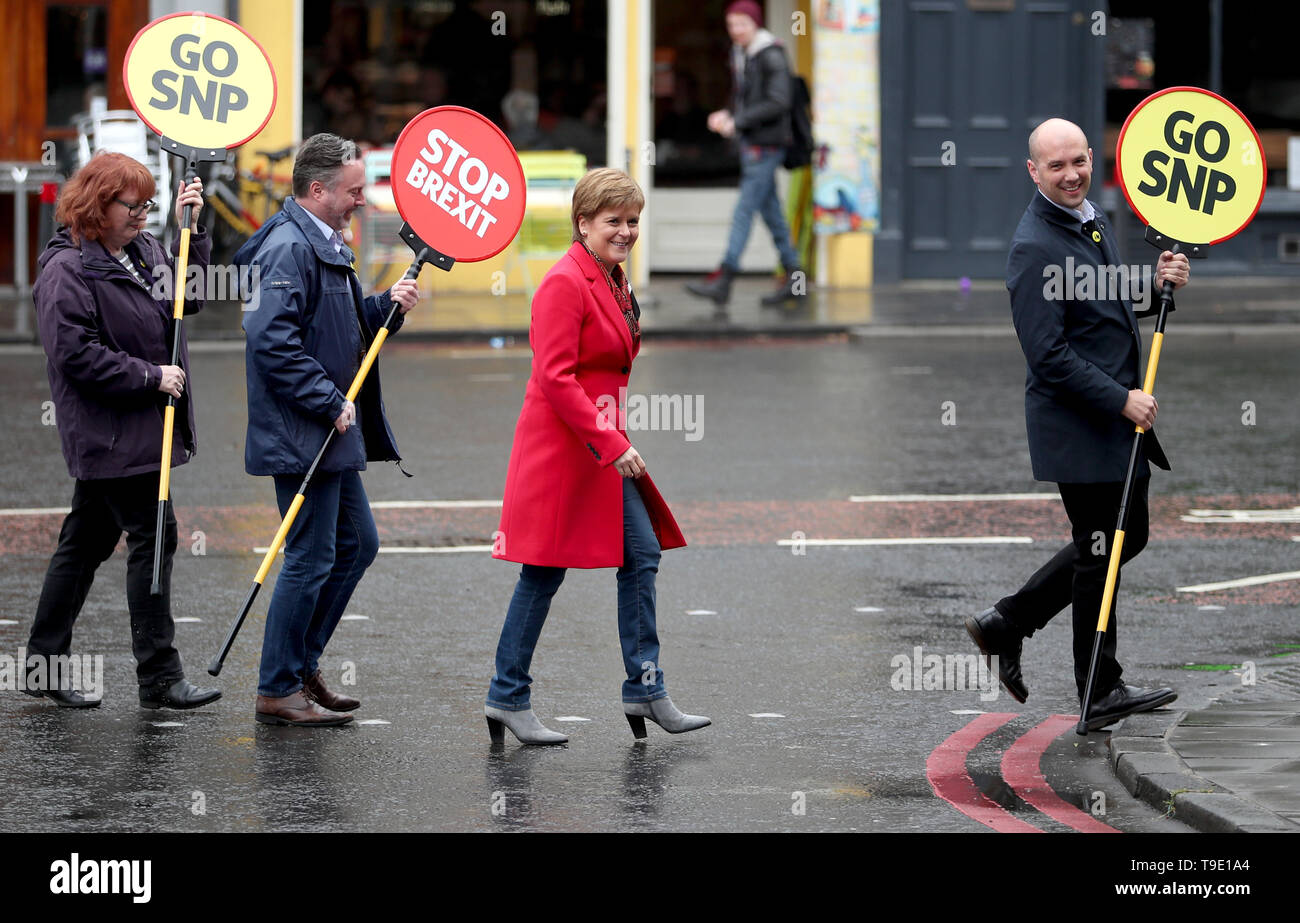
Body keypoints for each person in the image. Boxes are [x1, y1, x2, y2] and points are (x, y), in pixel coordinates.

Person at [965, 118, 1189, 731]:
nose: (1070, 175)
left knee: (1120, 540)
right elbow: (1048, 354)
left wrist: (1154, 283)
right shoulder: (1033, 244)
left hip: (1111, 425)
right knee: (1103, 547)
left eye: (1078, 162)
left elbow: (1097, 294)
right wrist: (1121, 399)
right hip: (1085, 425)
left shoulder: (1089, 214)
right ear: (1032, 171)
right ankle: (1098, 687)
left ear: (1092, 158)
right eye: (1055, 166)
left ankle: (1008, 623)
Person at [486, 167, 710, 745]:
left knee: (640, 557)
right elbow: (556, 379)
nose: (626, 231)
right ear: (583, 223)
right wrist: (613, 444)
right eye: (613, 221)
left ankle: (646, 688)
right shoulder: (565, 282)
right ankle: (507, 697)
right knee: (541, 573)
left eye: (633, 221)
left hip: (599, 446)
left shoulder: (611, 278)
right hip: (563, 451)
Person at [234, 133, 419, 727]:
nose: (362, 201)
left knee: (358, 544)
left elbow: (338, 328)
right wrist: (326, 399)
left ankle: (300, 666)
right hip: (304, 431)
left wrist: (384, 304)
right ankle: (278, 687)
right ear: (318, 190)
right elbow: (272, 343)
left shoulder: (323, 241)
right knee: (310, 558)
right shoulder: (289, 249)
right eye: (354, 190)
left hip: (328, 429)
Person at [27, 151, 220, 710]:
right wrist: (149, 376)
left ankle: (42, 666)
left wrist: (192, 230)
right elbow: (74, 354)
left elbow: (190, 297)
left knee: (83, 546)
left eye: (147, 206)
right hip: (112, 431)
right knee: (154, 536)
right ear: (96, 205)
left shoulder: (142, 250)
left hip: (139, 428)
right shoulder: (66, 269)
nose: (141, 217)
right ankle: (159, 676)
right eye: (131, 207)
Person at [685, 0, 805, 313]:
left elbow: (779, 101)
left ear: (756, 24)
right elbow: (745, 98)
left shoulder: (771, 53)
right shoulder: (744, 54)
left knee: (744, 210)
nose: (736, 31)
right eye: (732, 25)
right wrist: (727, 114)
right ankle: (797, 279)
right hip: (755, 143)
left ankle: (724, 280)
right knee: (772, 214)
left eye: (742, 24)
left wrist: (738, 121)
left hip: (766, 145)